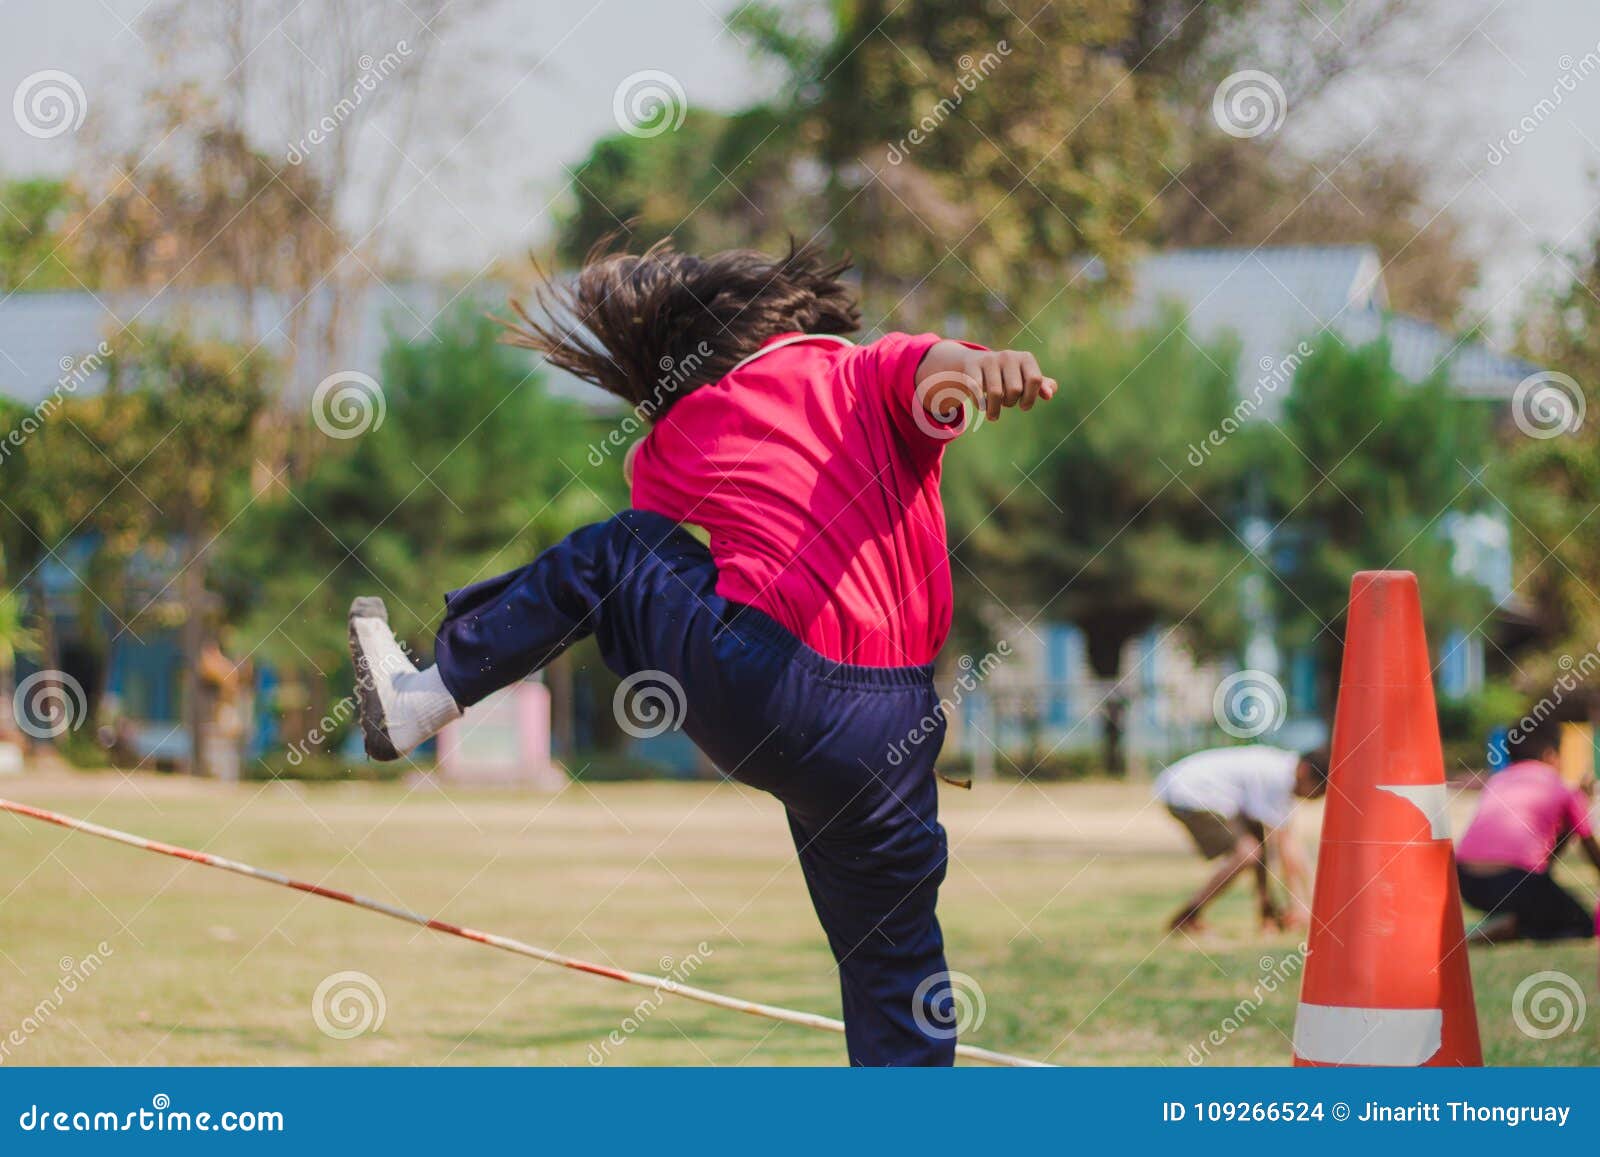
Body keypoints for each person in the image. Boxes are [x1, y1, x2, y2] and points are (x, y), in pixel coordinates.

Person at [346, 239, 1057, 1066]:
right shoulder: (861, 371)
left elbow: (653, 528)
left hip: (768, 691)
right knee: (895, 967)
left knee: (619, 551)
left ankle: (426, 696)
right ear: (806, 321)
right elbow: (931, 374)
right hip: (895, 729)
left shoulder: (673, 439)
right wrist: (984, 369)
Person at [1153, 743, 1329, 934]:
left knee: (1256, 846)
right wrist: (1299, 905)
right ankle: (1187, 916)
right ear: (1304, 772)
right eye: (1318, 790)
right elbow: (1287, 849)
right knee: (1247, 854)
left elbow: (1285, 846)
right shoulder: (1277, 778)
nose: (1315, 798)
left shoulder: (1282, 769)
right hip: (1188, 792)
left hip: (1193, 788)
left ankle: (1267, 914)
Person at [1457, 714, 1599, 944]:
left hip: (1467, 881)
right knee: (1579, 924)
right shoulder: (1562, 787)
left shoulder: (1498, 780)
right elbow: (1591, 849)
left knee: (1536, 901)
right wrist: (1582, 803)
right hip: (1515, 881)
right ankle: (1514, 926)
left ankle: (1509, 921)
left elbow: (1544, 862)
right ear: (1550, 755)